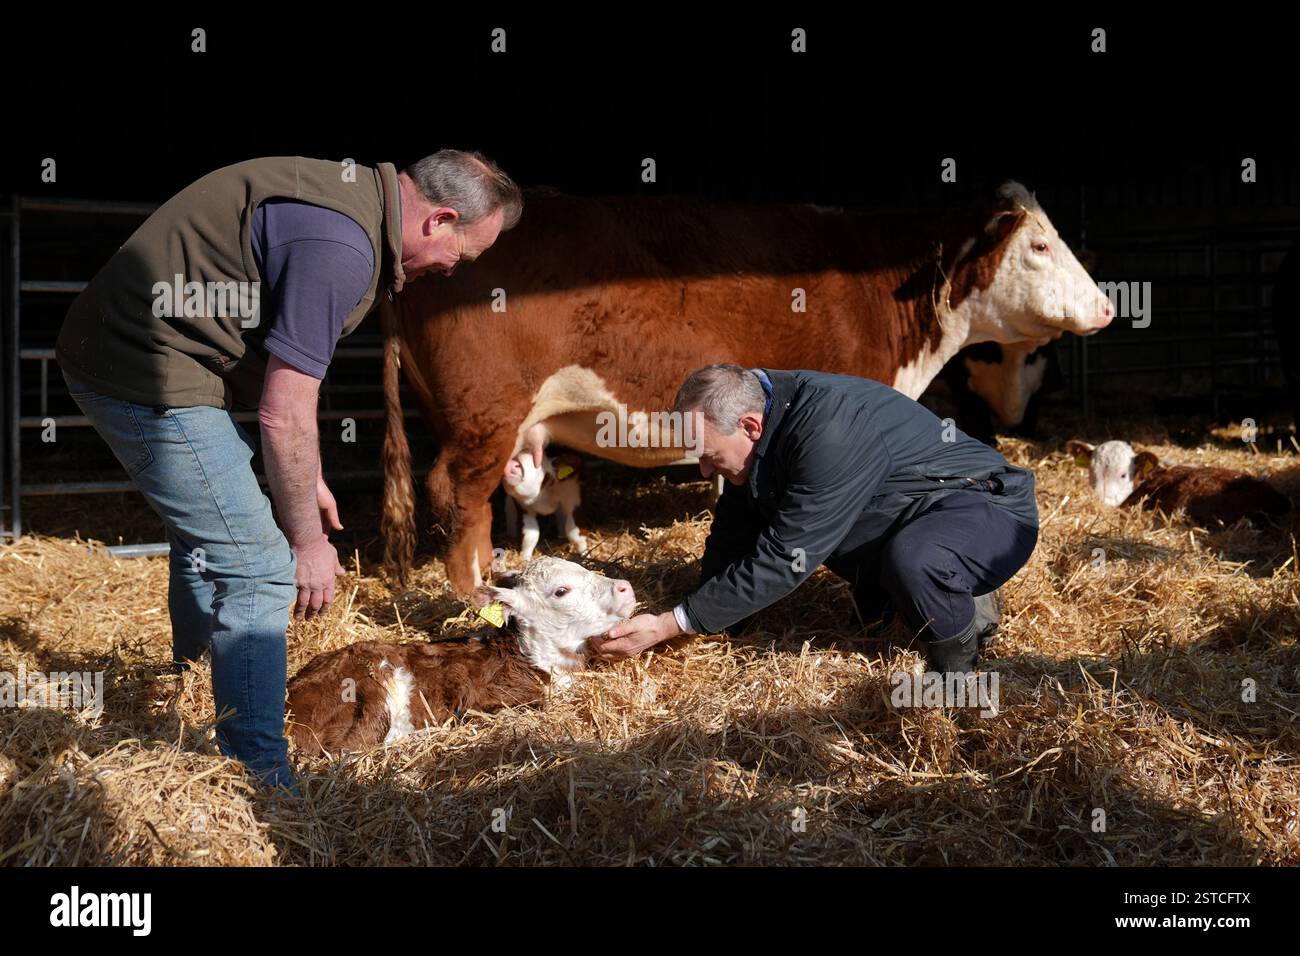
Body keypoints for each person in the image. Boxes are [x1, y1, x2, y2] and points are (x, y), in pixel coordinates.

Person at [55, 151, 522, 792]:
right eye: (461, 254)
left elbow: (284, 389)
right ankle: (259, 777)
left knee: (212, 536)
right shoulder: (343, 244)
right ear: (439, 220)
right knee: (257, 566)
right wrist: (305, 541)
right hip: (143, 366)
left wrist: (303, 479)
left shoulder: (350, 206)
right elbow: (283, 413)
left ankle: (199, 689)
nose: (452, 270)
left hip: (156, 352)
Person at [593, 364, 1039, 672]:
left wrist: (673, 623)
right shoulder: (765, 419)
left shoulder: (827, 428)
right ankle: (908, 596)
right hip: (908, 512)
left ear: (750, 426)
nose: (705, 471)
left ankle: (956, 670)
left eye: (709, 456)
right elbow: (733, 532)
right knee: (887, 596)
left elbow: (789, 557)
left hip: (985, 508)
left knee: (916, 560)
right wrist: (703, 620)